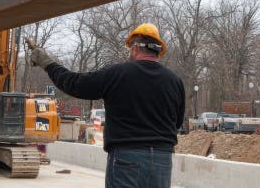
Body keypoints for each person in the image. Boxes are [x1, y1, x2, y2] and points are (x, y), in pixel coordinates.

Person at [30, 23, 185, 188]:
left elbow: (74, 84)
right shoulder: (175, 82)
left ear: (134, 48)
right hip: (162, 160)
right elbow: (176, 122)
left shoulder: (117, 74)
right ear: (158, 51)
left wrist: (47, 63)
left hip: (126, 157)